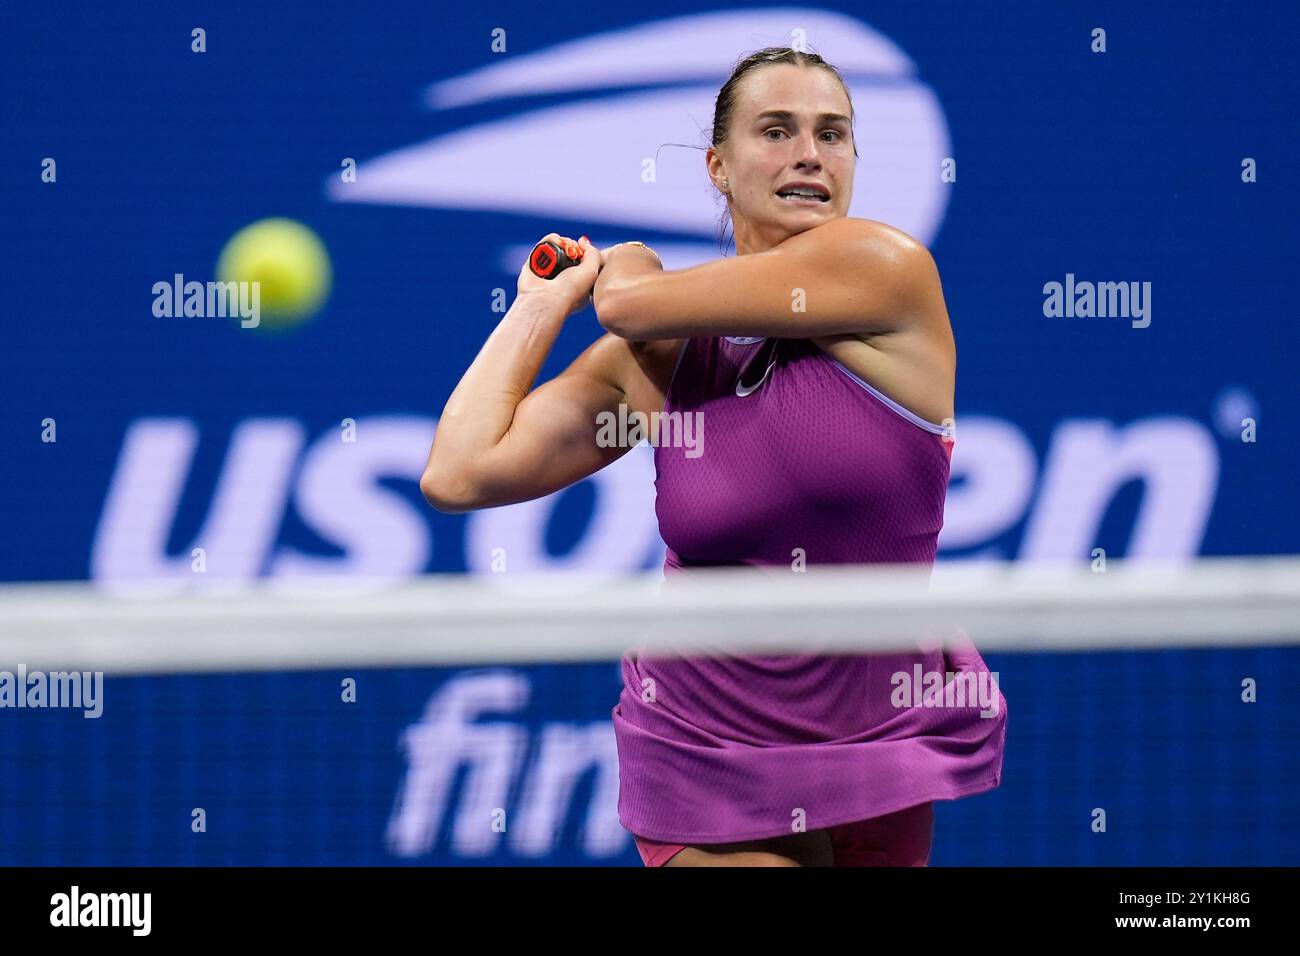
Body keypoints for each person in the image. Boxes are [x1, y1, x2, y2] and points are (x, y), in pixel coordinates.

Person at [421, 47, 1006, 867]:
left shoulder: (888, 273)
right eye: (778, 130)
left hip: (880, 740)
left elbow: (625, 299)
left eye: (833, 135)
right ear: (719, 167)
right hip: (701, 748)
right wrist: (539, 304)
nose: (810, 153)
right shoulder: (664, 359)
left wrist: (625, 261)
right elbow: (460, 470)